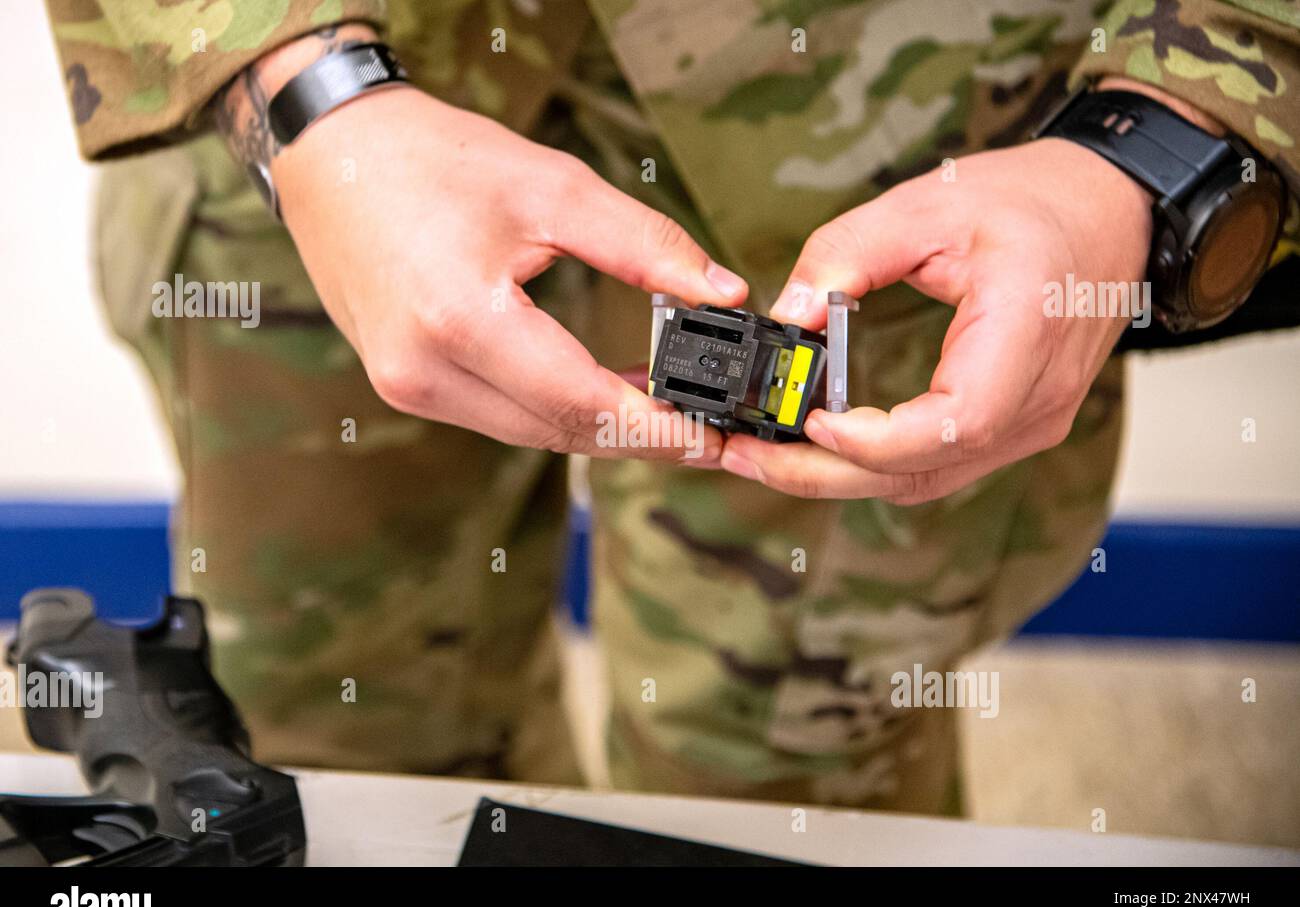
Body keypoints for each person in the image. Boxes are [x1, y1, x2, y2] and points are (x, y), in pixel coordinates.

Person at [45, 0, 1297, 813]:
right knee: (333, 754)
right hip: (309, 155)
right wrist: (296, 86)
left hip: (916, 167)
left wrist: (1168, 136)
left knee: (783, 796)